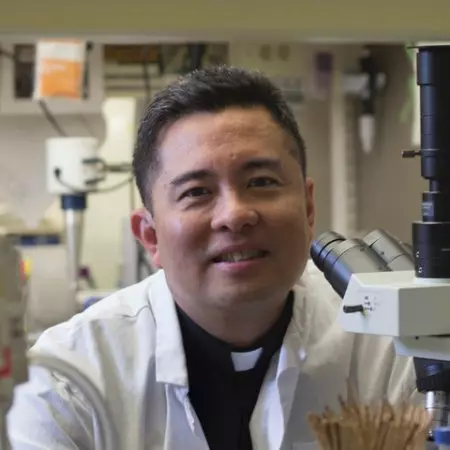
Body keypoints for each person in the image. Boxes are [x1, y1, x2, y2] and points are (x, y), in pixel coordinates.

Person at [7, 65, 418, 450]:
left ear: (309, 209)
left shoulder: (388, 345)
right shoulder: (70, 377)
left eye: (261, 182)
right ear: (150, 236)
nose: (235, 215)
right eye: (197, 192)